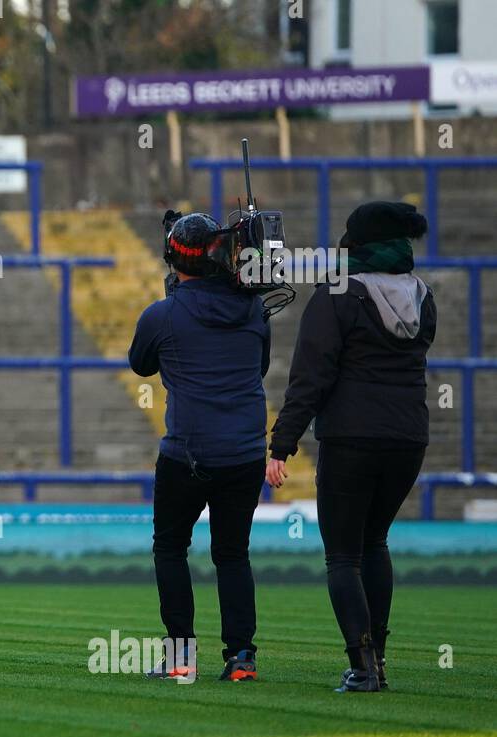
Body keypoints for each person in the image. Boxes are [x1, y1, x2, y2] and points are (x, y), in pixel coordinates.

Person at [267, 201, 435, 693]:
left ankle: (362, 667)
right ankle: (377, 660)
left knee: (343, 555)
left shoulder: (336, 294)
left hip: (350, 438)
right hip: (408, 438)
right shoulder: (424, 297)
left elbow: (310, 378)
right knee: (375, 541)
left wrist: (282, 443)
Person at [128, 211, 271, 682]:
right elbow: (260, 364)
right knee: (233, 553)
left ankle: (180, 656)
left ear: (173, 258)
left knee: (170, 548)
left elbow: (140, 365)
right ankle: (242, 657)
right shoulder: (253, 310)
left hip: (186, 453)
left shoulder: (162, 314)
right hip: (246, 453)